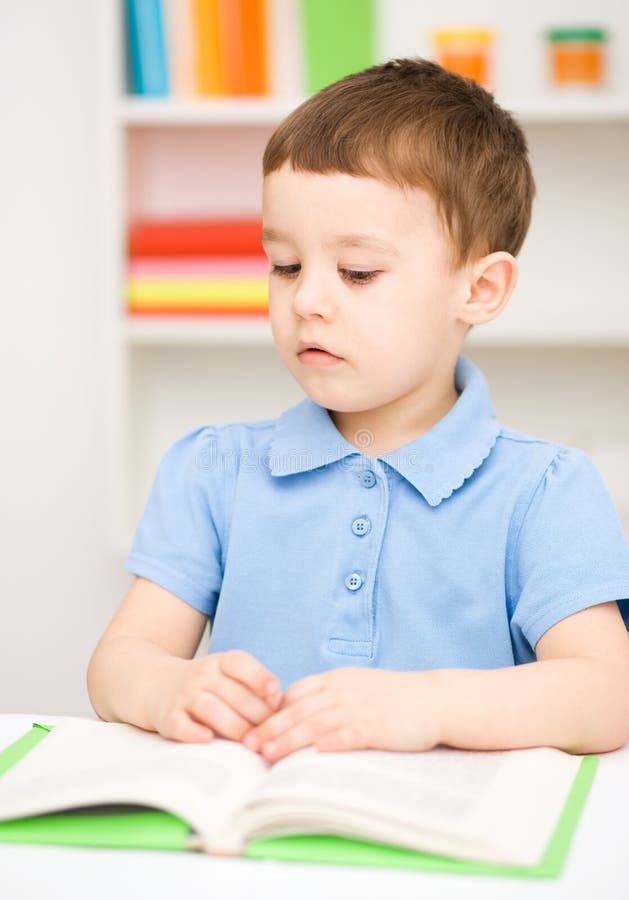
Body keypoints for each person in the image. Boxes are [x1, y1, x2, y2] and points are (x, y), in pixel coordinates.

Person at [87, 58, 629, 762]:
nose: (307, 300)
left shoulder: (546, 491)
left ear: (481, 290)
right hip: (253, 849)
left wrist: (426, 704)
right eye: (284, 265)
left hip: (454, 857)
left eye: (357, 273)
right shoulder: (214, 469)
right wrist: (166, 687)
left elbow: (606, 695)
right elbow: (116, 666)